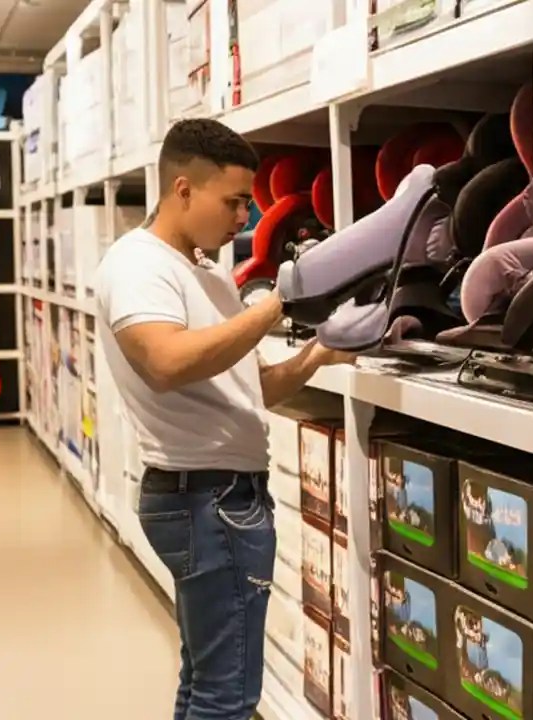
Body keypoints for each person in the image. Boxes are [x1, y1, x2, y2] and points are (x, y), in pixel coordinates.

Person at [94, 118, 354, 720]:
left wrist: (319, 351)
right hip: (207, 500)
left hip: (218, 497)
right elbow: (165, 362)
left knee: (207, 679)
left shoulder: (203, 271)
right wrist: (277, 304)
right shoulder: (139, 265)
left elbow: (252, 386)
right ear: (183, 189)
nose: (245, 218)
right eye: (234, 202)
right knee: (229, 695)